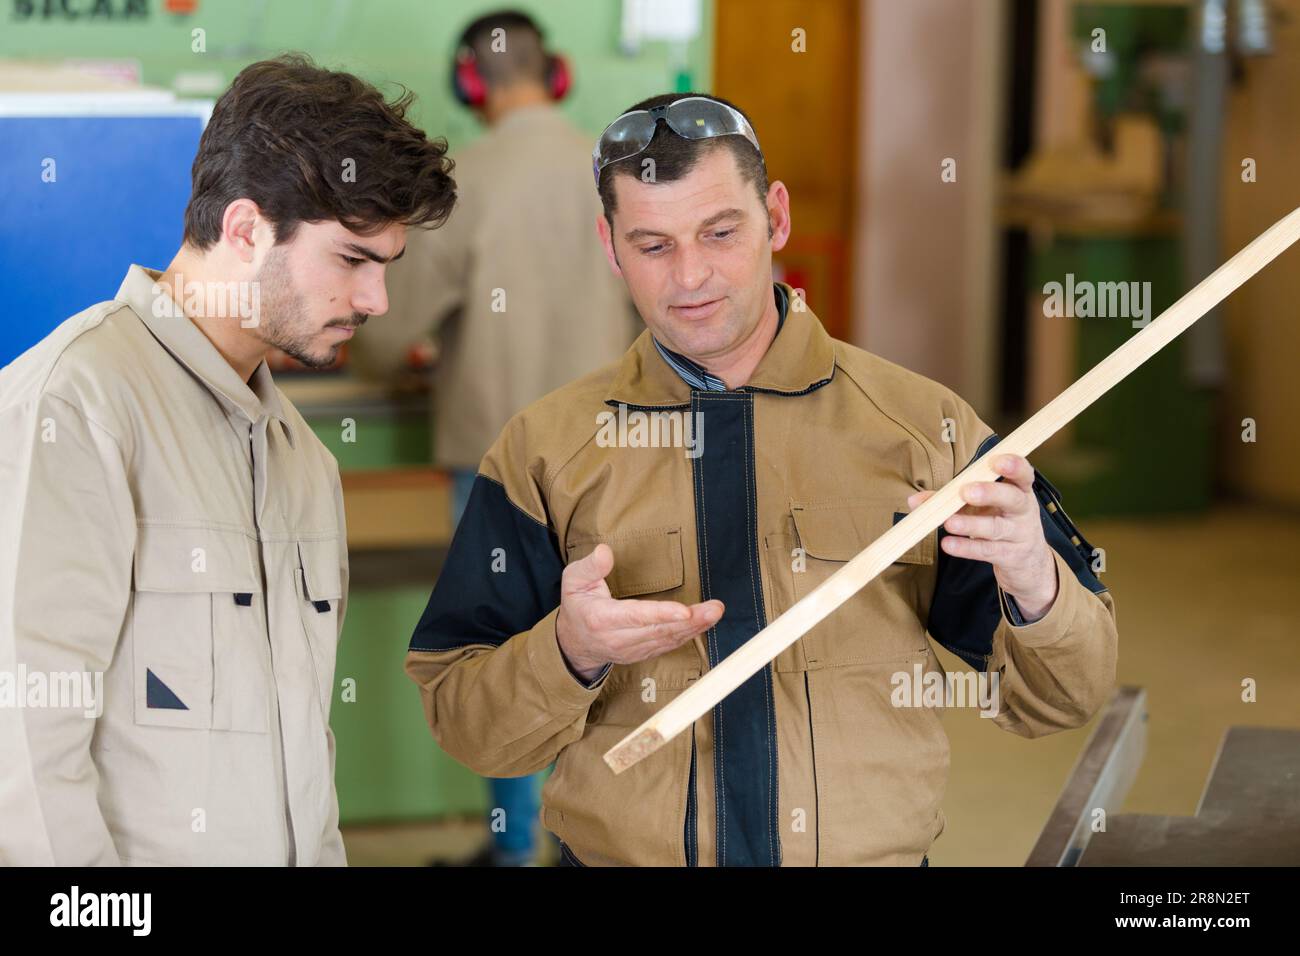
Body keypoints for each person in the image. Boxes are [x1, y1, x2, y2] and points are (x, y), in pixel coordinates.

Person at [404, 93, 1118, 866]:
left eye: (720, 232)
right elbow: (466, 723)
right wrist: (569, 650)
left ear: (774, 217)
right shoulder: (542, 451)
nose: (690, 277)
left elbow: (1062, 700)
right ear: (610, 248)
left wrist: (1035, 582)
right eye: (652, 245)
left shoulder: (924, 426)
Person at [0, 54, 456, 865]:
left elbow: (301, 760)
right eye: (352, 260)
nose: (376, 302)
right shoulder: (74, 407)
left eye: (387, 268)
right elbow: (24, 754)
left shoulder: (304, 465)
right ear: (245, 230)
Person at [365, 10, 637, 866]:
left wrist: (412, 355)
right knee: (600, 658)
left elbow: (379, 335)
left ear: (468, 83)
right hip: (616, 458)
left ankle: (514, 849)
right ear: (554, 73)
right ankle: (583, 847)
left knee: (508, 661)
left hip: (497, 468)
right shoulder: (618, 173)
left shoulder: (465, 182)